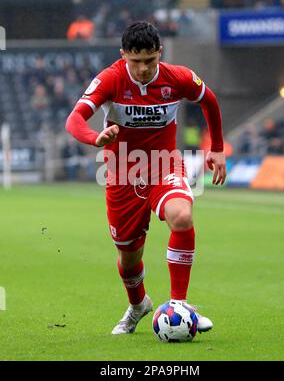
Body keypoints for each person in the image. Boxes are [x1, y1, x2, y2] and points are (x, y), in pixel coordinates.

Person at [66, 21, 226, 335]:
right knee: (128, 259)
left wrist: (217, 148)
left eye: (150, 61)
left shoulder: (177, 77)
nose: (142, 69)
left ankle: (178, 305)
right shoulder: (111, 79)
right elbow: (75, 120)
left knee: (181, 216)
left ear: (159, 54)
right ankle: (139, 305)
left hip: (164, 166)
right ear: (123, 54)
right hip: (122, 177)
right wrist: (96, 137)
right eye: (135, 61)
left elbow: (210, 100)